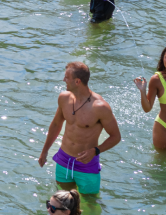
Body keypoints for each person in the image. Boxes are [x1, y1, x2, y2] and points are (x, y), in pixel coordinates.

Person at [39, 62, 122, 195]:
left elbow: (116, 136)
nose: (63, 80)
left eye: (67, 77)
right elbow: (56, 125)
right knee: (63, 202)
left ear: (77, 81)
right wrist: (44, 151)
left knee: (90, 204)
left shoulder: (100, 107)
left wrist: (95, 151)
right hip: (63, 160)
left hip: (86, 165)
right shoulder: (64, 98)